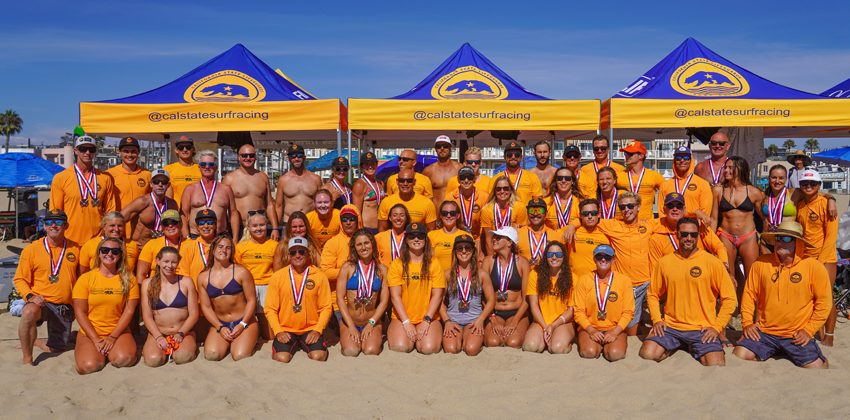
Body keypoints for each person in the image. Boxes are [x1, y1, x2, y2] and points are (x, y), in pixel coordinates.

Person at [639, 218, 737, 366]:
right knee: (648, 354)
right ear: (677, 234)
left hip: (702, 328)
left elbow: (729, 298)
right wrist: (657, 320)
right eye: (684, 234)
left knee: (715, 364)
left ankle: (689, 344)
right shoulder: (665, 262)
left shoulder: (712, 262)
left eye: (693, 234)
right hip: (671, 326)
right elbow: (652, 294)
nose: (689, 238)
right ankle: (681, 343)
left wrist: (716, 328)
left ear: (698, 235)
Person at [733, 220, 830, 369]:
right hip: (764, 332)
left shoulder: (814, 267)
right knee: (740, 354)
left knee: (817, 367)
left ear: (799, 243)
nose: (780, 242)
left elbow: (824, 304)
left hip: (796, 334)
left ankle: (791, 351)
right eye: (778, 238)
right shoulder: (761, 263)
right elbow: (748, 295)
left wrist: (809, 331)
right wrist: (747, 323)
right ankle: (778, 350)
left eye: (786, 239)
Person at [562, 192, 660, 336]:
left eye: (630, 206)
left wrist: (700, 214)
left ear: (638, 207)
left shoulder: (650, 225)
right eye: (622, 207)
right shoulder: (612, 225)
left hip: (647, 283)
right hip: (627, 285)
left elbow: (671, 219)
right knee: (633, 333)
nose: (626, 209)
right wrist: (571, 225)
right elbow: (588, 217)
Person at [14, 209, 79, 365]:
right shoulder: (31, 249)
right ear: (44, 226)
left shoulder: (75, 248)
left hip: (64, 306)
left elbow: (81, 278)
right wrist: (30, 297)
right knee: (29, 311)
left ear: (66, 226)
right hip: (40, 303)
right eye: (49, 222)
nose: (53, 226)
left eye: (58, 222)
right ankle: (27, 360)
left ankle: (36, 341)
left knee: (56, 350)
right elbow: (20, 279)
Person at [72, 237, 139, 374]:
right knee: (88, 366)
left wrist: (113, 337)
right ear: (99, 253)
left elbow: (129, 311)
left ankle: (110, 351)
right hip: (91, 332)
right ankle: (94, 350)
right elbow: (80, 313)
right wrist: (96, 339)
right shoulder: (86, 279)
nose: (109, 254)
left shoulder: (129, 278)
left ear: (121, 255)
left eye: (115, 251)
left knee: (124, 360)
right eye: (105, 250)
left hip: (118, 332)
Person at [265, 237, 332, 363]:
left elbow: (326, 307)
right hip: (286, 329)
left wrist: (317, 330)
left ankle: (302, 342)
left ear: (308, 254)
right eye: (293, 252)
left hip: (310, 328)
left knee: (319, 357)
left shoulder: (319, 276)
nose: (297, 255)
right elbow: (270, 308)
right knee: (282, 358)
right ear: (288, 255)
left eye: (301, 252)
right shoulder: (278, 276)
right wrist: (278, 331)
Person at [710, 157, 764, 305]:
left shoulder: (753, 192)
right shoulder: (718, 190)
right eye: (725, 168)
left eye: (730, 168)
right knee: (727, 278)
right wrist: (710, 242)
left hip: (748, 237)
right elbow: (714, 219)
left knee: (752, 277)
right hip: (726, 236)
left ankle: (753, 314)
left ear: (740, 169)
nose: (726, 170)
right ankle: (728, 314)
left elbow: (766, 217)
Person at [197, 235, 258, 361]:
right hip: (221, 323)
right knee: (212, 355)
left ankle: (245, 340)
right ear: (213, 250)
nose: (224, 250)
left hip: (244, 321)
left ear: (232, 252)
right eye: (220, 247)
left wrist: (242, 324)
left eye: (228, 248)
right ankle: (229, 341)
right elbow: (206, 306)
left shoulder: (241, 272)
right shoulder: (203, 277)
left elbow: (252, 300)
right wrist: (220, 327)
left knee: (239, 355)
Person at [387, 222, 445, 354]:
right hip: (402, 316)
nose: (416, 239)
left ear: (426, 239)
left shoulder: (434, 263)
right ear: (406, 240)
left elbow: (437, 295)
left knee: (428, 348)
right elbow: (395, 297)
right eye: (412, 236)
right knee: (401, 347)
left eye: (420, 236)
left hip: (428, 316)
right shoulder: (397, 264)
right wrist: (406, 322)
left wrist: (426, 320)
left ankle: (423, 334)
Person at [796, 169, 839, 347]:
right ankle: (817, 330)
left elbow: (831, 237)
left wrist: (820, 261)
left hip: (825, 258)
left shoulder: (826, 204)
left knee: (826, 296)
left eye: (813, 184)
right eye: (805, 183)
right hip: (806, 257)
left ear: (819, 186)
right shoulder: (799, 204)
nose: (808, 186)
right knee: (809, 296)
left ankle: (829, 336)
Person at [49, 135, 116, 245]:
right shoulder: (61, 177)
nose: (87, 153)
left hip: (97, 240)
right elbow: (55, 213)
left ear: (95, 152)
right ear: (76, 151)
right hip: (69, 240)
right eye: (83, 149)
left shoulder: (105, 178)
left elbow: (110, 212)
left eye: (91, 149)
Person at [140, 246, 199, 366]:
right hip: (158, 333)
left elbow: (194, 314)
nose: (170, 266)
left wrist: (181, 333)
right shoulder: (148, 284)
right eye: (166, 261)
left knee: (183, 357)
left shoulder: (186, 282)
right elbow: (146, 316)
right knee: (153, 361)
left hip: (183, 333)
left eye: (174, 262)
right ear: (158, 261)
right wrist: (158, 337)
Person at [574, 244, 633, 361]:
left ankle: (609, 344)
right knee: (589, 353)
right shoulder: (584, 280)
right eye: (599, 256)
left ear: (613, 259)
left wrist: (615, 332)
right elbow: (578, 311)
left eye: (607, 257)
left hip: (614, 327)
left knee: (615, 354)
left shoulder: (624, 280)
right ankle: (594, 344)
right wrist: (591, 330)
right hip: (590, 327)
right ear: (594, 259)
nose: (603, 259)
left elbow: (628, 312)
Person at [759, 165, 836, 254]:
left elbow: (818, 194)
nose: (777, 181)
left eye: (781, 178)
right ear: (769, 178)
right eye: (773, 177)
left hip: (787, 242)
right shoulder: (762, 195)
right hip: (767, 242)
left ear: (785, 179)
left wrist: (831, 200)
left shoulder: (794, 193)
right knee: (767, 267)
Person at [336, 229, 390, 356]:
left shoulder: (382, 270)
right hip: (350, 321)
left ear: (372, 244)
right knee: (351, 351)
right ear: (354, 248)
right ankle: (349, 337)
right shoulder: (347, 267)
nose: (363, 247)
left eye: (366, 243)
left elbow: (384, 301)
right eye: (359, 244)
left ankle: (368, 336)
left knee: (371, 351)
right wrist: (350, 326)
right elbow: (339, 298)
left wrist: (372, 323)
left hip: (372, 321)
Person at [440, 234, 495, 356]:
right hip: (453, 321)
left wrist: (481, 319)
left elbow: (491, 300)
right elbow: (439, 301)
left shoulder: (482, 274)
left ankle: (472, 340)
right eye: (460, 248)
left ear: (473, 251)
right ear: (455, 251)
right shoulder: (447, 274)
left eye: (468, 248)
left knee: (471, 350)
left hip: (474, 322)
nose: (464, 251)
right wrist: (447, 321)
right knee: (451, 349)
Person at [650, 193, 729, 272]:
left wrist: (724, 265)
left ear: (684, 210)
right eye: (670, 206)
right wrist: (695, 211)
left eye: (679, 206)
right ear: (664, 209)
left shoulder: (697, 225)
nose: (675, 209)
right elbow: (655, 268)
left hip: (698, 272)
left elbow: (719, 247)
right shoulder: (656, 229)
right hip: (672, 276)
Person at [481, 227, 532, 348]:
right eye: (494, 237)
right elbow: (483, 295)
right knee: (493, 342)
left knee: (513, 343)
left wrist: (515, 321)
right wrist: (492, 319)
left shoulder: (523, 263)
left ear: (510, 242)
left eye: (498, 237)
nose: (494, 240)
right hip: (494, 312)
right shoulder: (488, 261)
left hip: (517, 312)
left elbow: (527, 297)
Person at [523, 241, 576, 354]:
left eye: (558, 255)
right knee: (531, 347)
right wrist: (545, 327)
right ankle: (550, 336)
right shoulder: (535, 274)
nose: (554, 257)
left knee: (557, 348)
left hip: (563, 322)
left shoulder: (573, 278)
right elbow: (533, 305)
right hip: (541, 321)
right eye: (550, 254)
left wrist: (553, 325)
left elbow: (571, 311)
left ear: (564, 257)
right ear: (545, 257)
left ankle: (566, 340)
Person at [235, 210, 278, 340]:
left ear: (267, 225)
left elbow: (277, 271)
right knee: (247, 330)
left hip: (267, 287)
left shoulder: (274, 245)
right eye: (254, 226)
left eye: (262, 225)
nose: (258, 229)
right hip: (247, 288)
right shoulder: (241, 247)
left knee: (269, 336)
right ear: (248, 227)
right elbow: (237, 270)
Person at [222, 144, 279, 240]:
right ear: (239, 157)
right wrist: (225, 230)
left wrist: (275, 227)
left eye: (251, 155)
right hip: (238, 228)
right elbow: (223, 208)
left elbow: (269, 204)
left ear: (255, 157)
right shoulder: (229, 178)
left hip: (259, 228)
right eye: (244, 155)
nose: (248, 158)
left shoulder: (263, 177)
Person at [180, 150, 239, 238]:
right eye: (203, 164)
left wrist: (235, 238)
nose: (207, 167)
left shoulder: (226, 189)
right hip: (196, 237)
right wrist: (187, 237)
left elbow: (233, 214)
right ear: (199, 167)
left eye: (211, 164)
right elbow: (183, 215)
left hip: (219, 236)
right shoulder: (190, 189)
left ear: (216, 167)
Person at [321, 204, 362, 322]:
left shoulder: (366, 239)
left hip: (364, 300)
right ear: (340, 222)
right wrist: (352, 272)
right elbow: (325, 272)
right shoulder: (333, 243)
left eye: (352, 219)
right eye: (344, 219)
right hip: (340, 302)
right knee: (350, 335)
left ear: (357, 220)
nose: (348, 222)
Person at [121, 168, 179, 249]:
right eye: (156, 182)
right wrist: (123, 240)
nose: (160, 184)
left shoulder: (172, 204)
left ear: (168, 185)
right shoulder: (142, 202)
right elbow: (118, 220)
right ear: (151, 184)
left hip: (162, 249)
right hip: (140, 248)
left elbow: (178, 225)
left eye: (164, 182)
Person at [105, 137, 150, 236]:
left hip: (140, 231)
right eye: (126, 151)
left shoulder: (147, 174)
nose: (130, 155)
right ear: (119, 152)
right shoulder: (108, 175)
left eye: (133, 151)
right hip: (118, 230)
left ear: (139, 152)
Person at [658, 146, 712, 224]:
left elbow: (704, 214)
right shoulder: (665, 185)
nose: (682, 160)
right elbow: (662, 214)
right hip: (672, 231)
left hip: (693, 231)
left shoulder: (703, 184)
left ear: (691, 160)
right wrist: (694, 212)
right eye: (678, 158)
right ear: (674, 161)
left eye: (686, 158)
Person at [274, 144, 323, 227]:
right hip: (289, 224)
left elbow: (321, 204)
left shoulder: (316, 179)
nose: (296, 159)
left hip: (310, 223)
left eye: (299, 156)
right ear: (289, 159)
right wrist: (275, 229)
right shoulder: (283, 180)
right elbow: (279, 206)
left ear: (304, 157)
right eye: (293, 156)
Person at [480, 176, 529, 255]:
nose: (502, 191)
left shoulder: (520, 207)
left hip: (513, 252)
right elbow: (488, 239)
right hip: (495, 252)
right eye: (498, 189)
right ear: (495, 191)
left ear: (510, 190)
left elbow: (520, 236)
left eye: (505, 188)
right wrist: (492, 260)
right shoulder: (487, 209)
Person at [617, 141, 664, 221]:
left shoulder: (655, 176)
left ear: (641, 156)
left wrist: (661, 219)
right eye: (626, 153)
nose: (627, 156)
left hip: (645, 224)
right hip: (623, 224)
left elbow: (668, 195)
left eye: (630, 154)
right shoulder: (618, 176)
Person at [567, 199, 610, 280]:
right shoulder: (571, 231)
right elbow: (551, 235)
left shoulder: (607, 233)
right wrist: (572, 225)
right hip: (575, 282)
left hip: (599, 283)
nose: (590, 216)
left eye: (593, 213)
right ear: (580, 216)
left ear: (599, 214)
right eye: (586, 214)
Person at [137, 210, 185, 281]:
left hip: (183, 287)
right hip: (157, 287)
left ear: (181, 224)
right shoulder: (152, 244)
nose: (170, 225)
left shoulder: (191, 244)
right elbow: (141, 274)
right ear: (162, 227)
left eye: (174, 222)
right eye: (166, 223)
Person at [445, 166, 488, 240]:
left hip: (477, 238)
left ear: (474, 179)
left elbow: (485, 225)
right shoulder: (450, 197)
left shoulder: (484, 197)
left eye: (470, 177)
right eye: (462, 178)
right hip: (456, 237)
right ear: (458, 180)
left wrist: (480, 247)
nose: (466, 180)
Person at [577, 134, 624, 199]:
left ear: (608, 149)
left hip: (612, 206)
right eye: (596, 148)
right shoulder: (584, 169)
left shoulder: (619, 168)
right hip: (592, 204)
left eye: (603, 148)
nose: (599, 151)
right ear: (593, 150)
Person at [422, 135, 464, 207]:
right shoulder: (428, 171)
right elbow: (422, 194)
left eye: (445, 146)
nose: (442, 148)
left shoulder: (460, 168)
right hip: (436, 215)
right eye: (439, 146)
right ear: (435, 148)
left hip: (455, 215)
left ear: (450, 148)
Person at [517, 198, 559, 266]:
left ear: (546, 214)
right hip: (525, 276)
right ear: (527, 213)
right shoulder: (517, 234)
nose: (535, 213)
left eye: (540, 210)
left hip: (548, 276)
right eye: (531, 210)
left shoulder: (556, 236)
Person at [164, 136, 202, 210]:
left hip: (197, 214)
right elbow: (167, 197)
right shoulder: (168, 169)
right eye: (181, 147)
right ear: (176, 150)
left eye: (188, 147)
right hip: (177, 214)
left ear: (193, 149)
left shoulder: (201, 169)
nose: (184, 150)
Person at [352, 152, 386, 234]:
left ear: (376, 164)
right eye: (366, 164)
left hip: (382, 228)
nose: (370, 166)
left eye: (372, 164)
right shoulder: (360, 185)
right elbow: (357, 212)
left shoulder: (380, 183)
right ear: (361, 167)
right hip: (368, 229)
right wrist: (360, 231)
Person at [428, 201, 465, 271]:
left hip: (458, 278)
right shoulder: (431, 235)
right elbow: (429, 260)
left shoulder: (465, 236)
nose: (448, 216)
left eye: (452, 213)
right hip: (438, 277)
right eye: (445, 213)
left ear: (458, 216)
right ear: (440, 216)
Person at [545, 167, 583, 231]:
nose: (563, 181)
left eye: (567, 178)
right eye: (559, 178)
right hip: (553, 239)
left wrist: (573, 225)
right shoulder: (546, 202)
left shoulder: (581, 202)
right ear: (556, 181)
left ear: (572, 181)